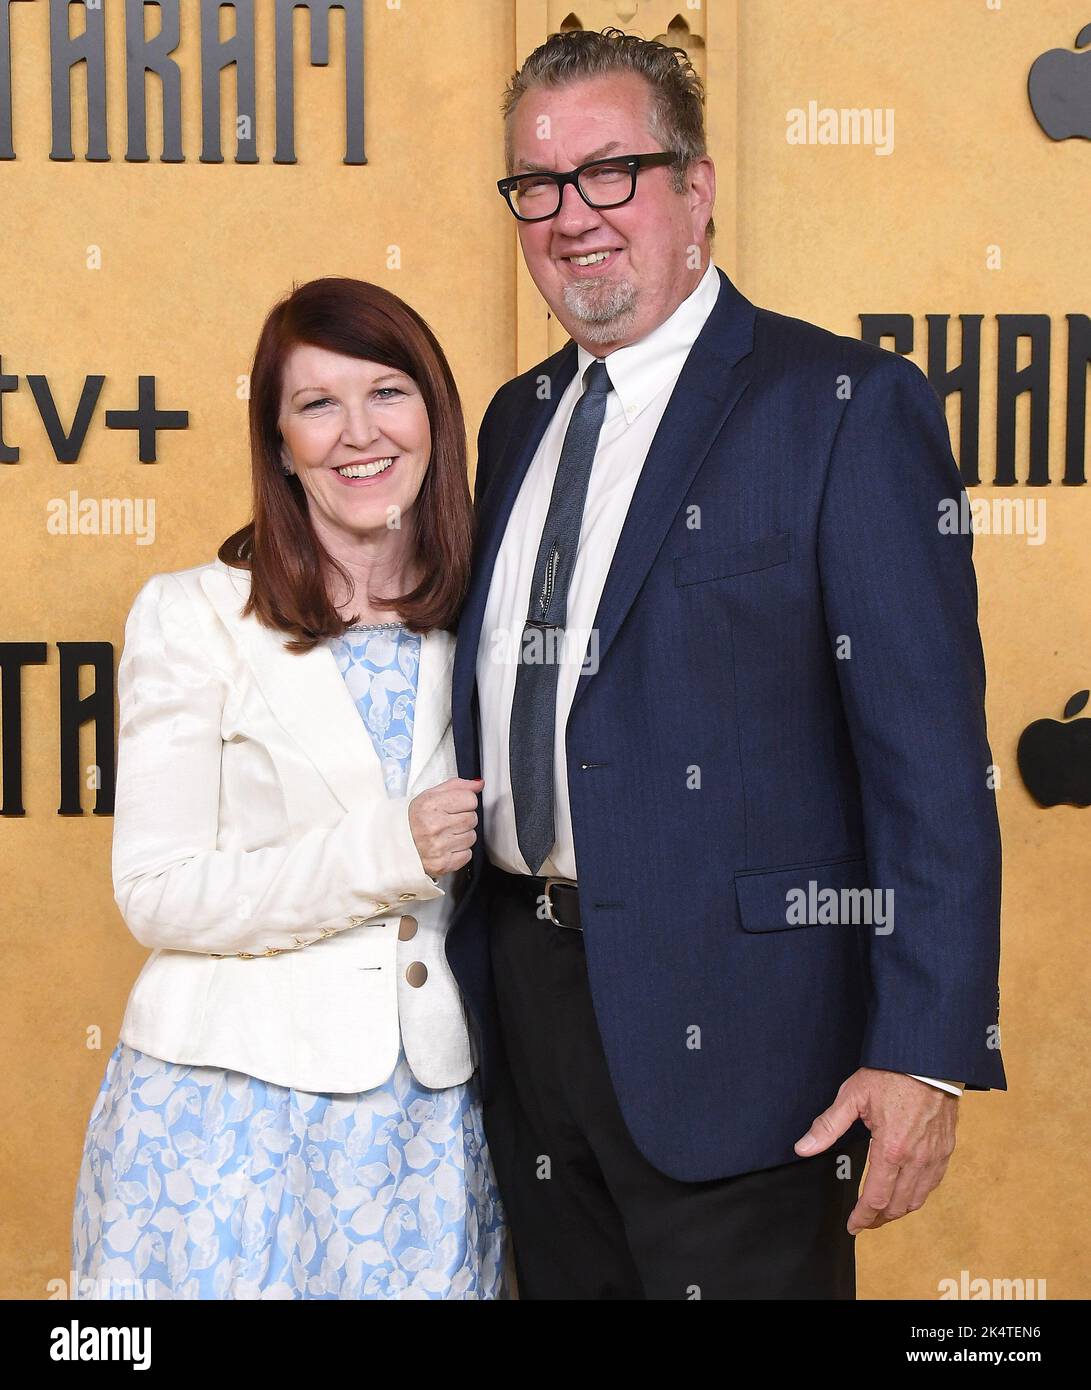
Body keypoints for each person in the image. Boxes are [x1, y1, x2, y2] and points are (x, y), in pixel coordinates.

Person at [444, 27, 1006, 1300]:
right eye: (536, 185)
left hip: (749, 1048)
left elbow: (928, 762)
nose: (570, 217)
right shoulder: (514, 419)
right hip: (525, 1027)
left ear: (694, 190)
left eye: (611, 172)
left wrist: (923, 1054)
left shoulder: (843, 409)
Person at [71, 276, 508, 1300]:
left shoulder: (490, 622)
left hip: (424, 1125)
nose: (359, 432)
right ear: (278, 443)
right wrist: (383, 853)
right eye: (316, 403)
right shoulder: (193, 615)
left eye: (386, 392)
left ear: (434, 417)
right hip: (219, 1120)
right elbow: (159, 889)